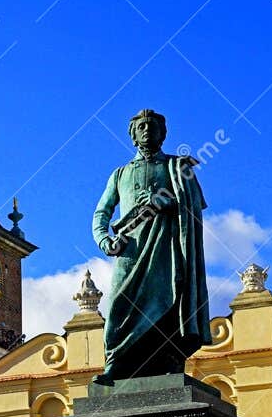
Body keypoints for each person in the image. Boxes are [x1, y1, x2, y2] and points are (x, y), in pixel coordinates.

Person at [90, 109, 211, 381]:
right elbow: (102, 212)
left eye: (153, 126)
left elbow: (193, 206)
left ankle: (169, 359)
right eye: (141, 126)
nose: (147, 130)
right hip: (130, 250)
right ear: (132, 135)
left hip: (166, 248)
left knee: (168, 300)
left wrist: (169, 202)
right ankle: (117, 364)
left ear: (163, 133)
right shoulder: (120, 174)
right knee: (120, 305)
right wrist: (104, 239)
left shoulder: (176, 168)